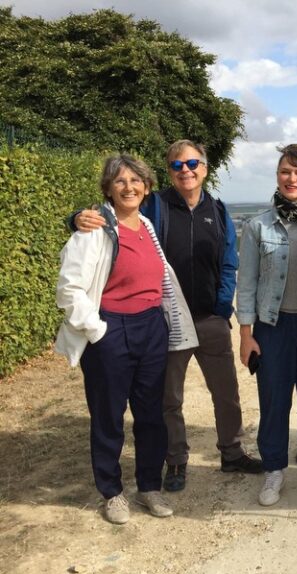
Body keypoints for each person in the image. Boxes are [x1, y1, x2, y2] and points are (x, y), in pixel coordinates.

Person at [70, 140, 263, 492]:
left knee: (226, 392)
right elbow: (111, 218)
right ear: (169, 173)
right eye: (177, 165)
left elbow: (229, 262)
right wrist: (75, 218)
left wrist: (222, 309)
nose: (185, 170)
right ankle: (176, 460)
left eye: (192, 163)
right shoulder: (154, 206)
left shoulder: (218, 210)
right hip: (168, 320)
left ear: (204, 168)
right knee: (168, 398)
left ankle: (232, 451)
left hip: (209, 318)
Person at [55, 155, 197, 524]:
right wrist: (97, 329)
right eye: (120, 181)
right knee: (108, 416)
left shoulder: (147, 226)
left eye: (136, 180)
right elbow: (69, 289)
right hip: (110, 329)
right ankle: (112, 492)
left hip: (151, 327)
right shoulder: (92, 231)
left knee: (151, 414)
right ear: (108, 189)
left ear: (147, 187)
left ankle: (148, 486)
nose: (129, 187)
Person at [236, 144, 297, 507]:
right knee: (274, 401)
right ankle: (274, 469)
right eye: (285, 172)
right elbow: (246, 284)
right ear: (278, 176)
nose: (291, 179)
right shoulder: (257, 226)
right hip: (273, 327)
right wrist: (246, 336)